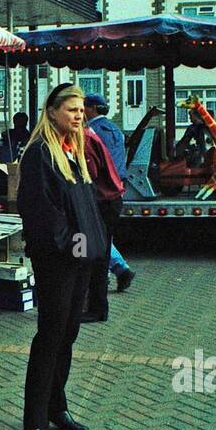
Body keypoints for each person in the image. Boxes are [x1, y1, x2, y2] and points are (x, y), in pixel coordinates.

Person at [15, 83, 108, 430]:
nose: (79, 115)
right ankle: (33, 423)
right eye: (71, 109)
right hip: (56, 260)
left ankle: (57, 407)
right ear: (52, 112)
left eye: (81, 109)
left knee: (69, 331)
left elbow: (85, 207)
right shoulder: (40, 153)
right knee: (51, 335)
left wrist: (86, 250)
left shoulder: (75, 150)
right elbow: (42, 212)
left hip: (78, 258)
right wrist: (73, 247)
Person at [83, 93, 135, 293]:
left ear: (92, 108)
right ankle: (119, 270)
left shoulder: (92, 132)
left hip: (100, 189)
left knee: (95, 234)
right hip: (117, 186)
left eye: (84, 107)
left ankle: (108, 275)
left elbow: (94, 165)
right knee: (104, 233)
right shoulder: (115, 129)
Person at [80, 126, 124, 323]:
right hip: (105, 200)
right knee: (97, 254)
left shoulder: (84, 140)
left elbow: (89, 175)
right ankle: (95, 306)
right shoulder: (87, 135)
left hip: (104, 201)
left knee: (97, 256)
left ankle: (97, 309)